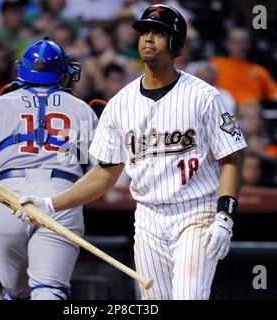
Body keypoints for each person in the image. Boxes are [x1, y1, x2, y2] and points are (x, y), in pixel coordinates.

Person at [13, 4, 247, 300]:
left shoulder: (204, 97)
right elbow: (104, 175)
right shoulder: (120, 103)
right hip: (147, 218)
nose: (148, 38)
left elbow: (231, 158)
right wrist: (51, 204)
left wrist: (225, 218)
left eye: (159, 33)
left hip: (196, 213)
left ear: (176, 44)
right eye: (144, 32)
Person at [0, 37, 98, 300]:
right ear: (63, 73)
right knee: (49, 290)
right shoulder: (83, 110)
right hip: (60, 196)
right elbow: (99, 174)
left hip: (6, 197)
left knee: (16, 293)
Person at [211, 27, 277, 106]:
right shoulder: (215, 65)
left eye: (243, 42)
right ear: (227, 44)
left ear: (249, 44)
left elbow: (274, 94)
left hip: (251, 114)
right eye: (235, 42)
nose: (240, 46)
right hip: (224, 112)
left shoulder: (259, 70)